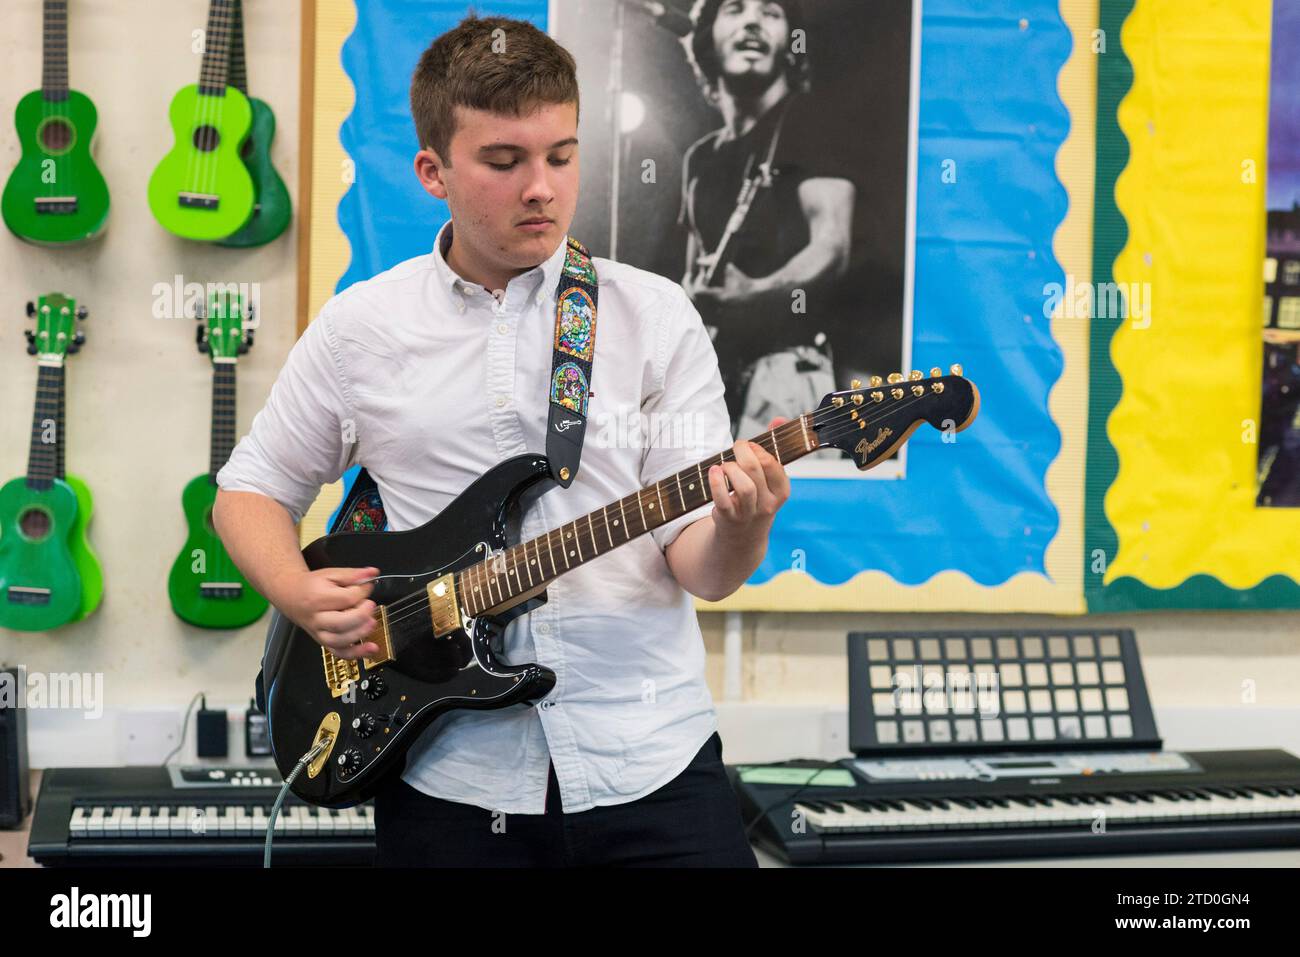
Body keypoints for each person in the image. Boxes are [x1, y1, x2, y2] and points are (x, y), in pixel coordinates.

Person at [212, 14, 790, 867]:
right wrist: (300, 594)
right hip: (452, 781)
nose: (543, 189)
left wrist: (744, 524)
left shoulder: (653, 316)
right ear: (433, 172)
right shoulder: (363, 328)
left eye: (561, 155)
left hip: (652, 764)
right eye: (504, 161)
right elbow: (248, 491)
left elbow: (700, 568)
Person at [678, 0, 858, 439]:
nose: (754, 22)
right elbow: (693, 273)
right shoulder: (699, 158)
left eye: (771, 12)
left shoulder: (812, 120)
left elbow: (832, 247)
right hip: (712, 379)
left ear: (788, 43)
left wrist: (756, 292)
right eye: (735, 9)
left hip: (786, 372)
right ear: (708, 38)